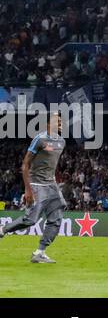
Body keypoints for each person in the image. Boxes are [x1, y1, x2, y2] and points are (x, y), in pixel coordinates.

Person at [0, 112, 68, 263]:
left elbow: (50, 165)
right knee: (30, 219)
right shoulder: (40, 139)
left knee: (56, 216)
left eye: (61, 121)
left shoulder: (62, 142)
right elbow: (25, 165)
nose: (60, 123)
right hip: (37, 185)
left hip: (51, 185)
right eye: (57, 121)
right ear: (49, 124)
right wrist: (28, 189)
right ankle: (3, 230)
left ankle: (40, 252)